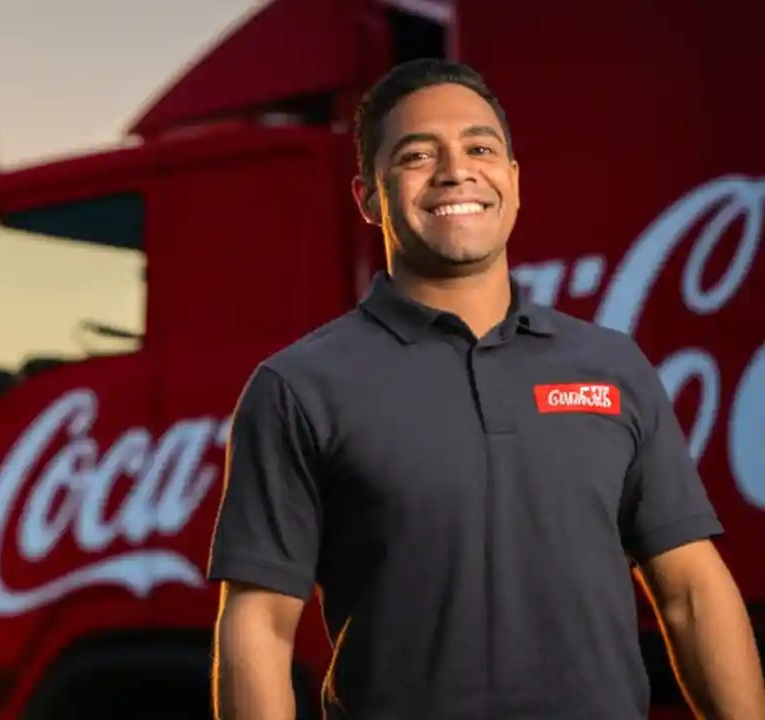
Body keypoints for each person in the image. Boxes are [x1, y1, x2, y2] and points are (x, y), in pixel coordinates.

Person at [206, 58, 765, 720]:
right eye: (418, 154)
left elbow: (691, 593)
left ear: (514, 181)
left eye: (480, 148)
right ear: (367, 197)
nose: (455, 169)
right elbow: (260, 626)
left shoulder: (611, 367)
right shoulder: (298, 387)